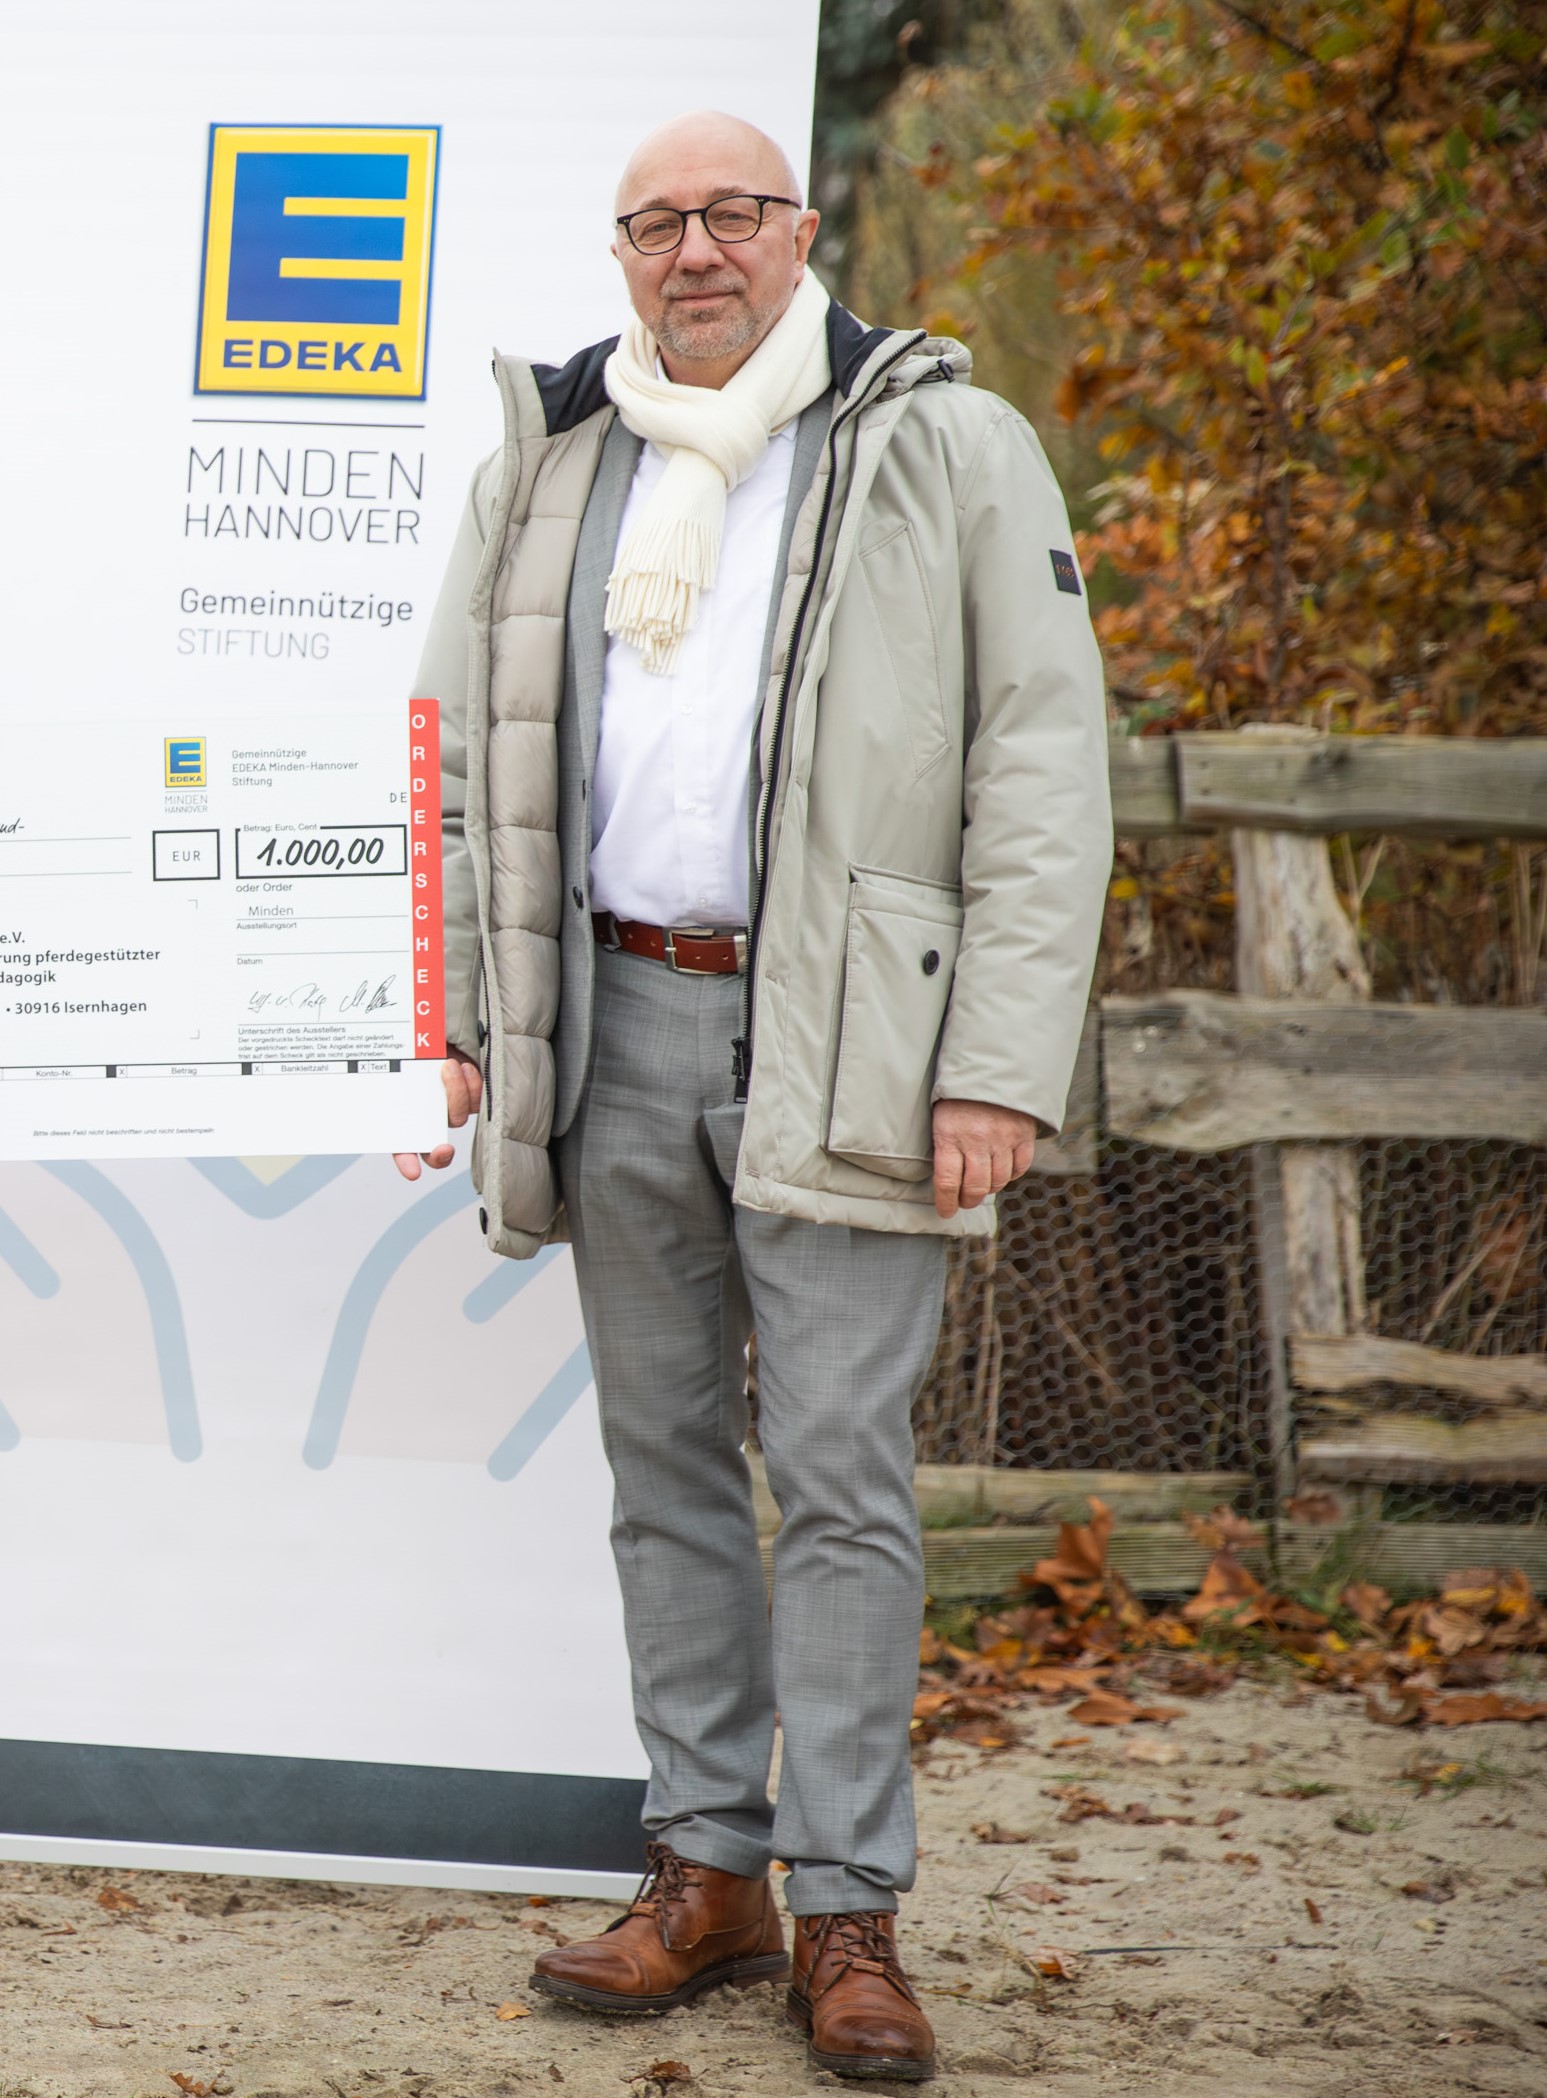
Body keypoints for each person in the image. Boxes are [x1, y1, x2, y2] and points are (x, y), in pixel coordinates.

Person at [394, 113, 1111, 2080]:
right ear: (617, 254)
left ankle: (846, 1906)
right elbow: (454, 757)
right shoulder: (547, 467)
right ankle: (702, 1869)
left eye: (729, 213)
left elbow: (1042, 764)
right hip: (607, 1017)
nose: (691, 249)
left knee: (850, 1486)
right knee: (663, 1474)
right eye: (653, 223)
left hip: (852, 1031)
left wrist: (998, 1064)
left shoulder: (937, 443)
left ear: (802, 229)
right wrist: (456, 1018)